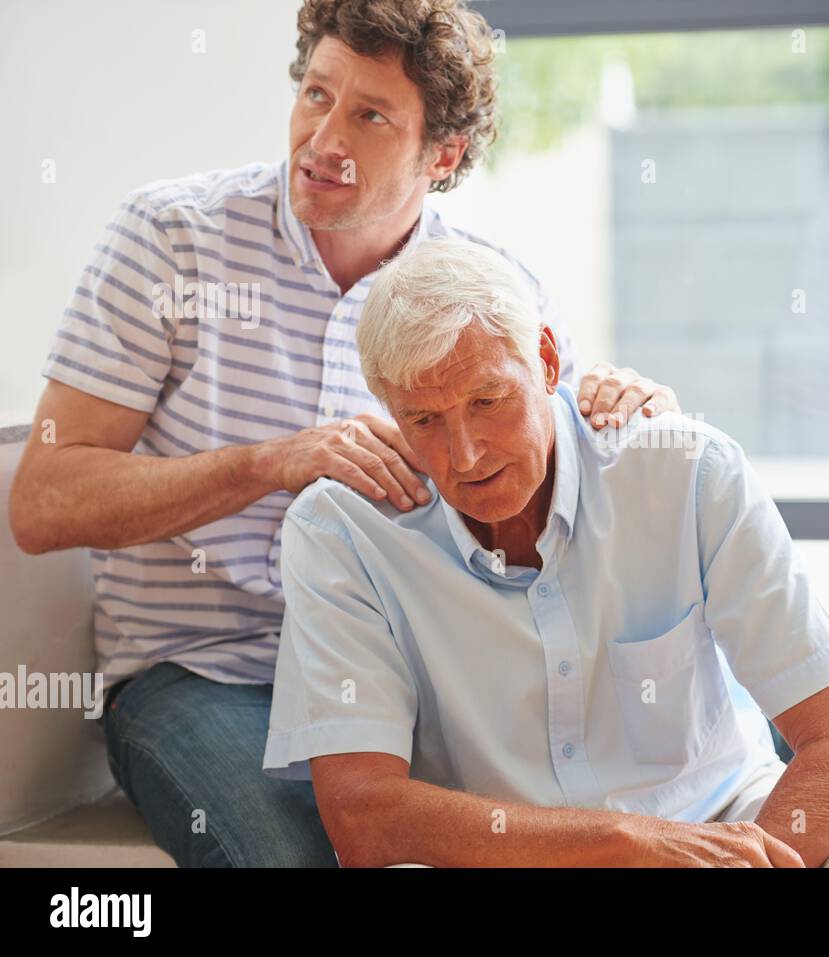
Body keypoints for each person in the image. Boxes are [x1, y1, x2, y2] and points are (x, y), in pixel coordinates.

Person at [7, 0, 675, 867]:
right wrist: (273, 463)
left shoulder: (490, 284)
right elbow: (43, 501)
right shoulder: (172, 240)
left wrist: (624, 406)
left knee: (706, 743)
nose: (323, 138)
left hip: (431, 674)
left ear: (443, 155)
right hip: (214, 674)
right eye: (316, 95)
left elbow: (564, 484)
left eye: (369, 116)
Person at [263, 236, 829, 867]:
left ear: (543, 359)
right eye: (424, 420)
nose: (465, 453)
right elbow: (364, 813)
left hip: (723, 823)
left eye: (487, 400)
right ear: (389, 408)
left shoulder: (685, 470)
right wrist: (619, 843)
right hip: (500, 858)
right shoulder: (340, 530)